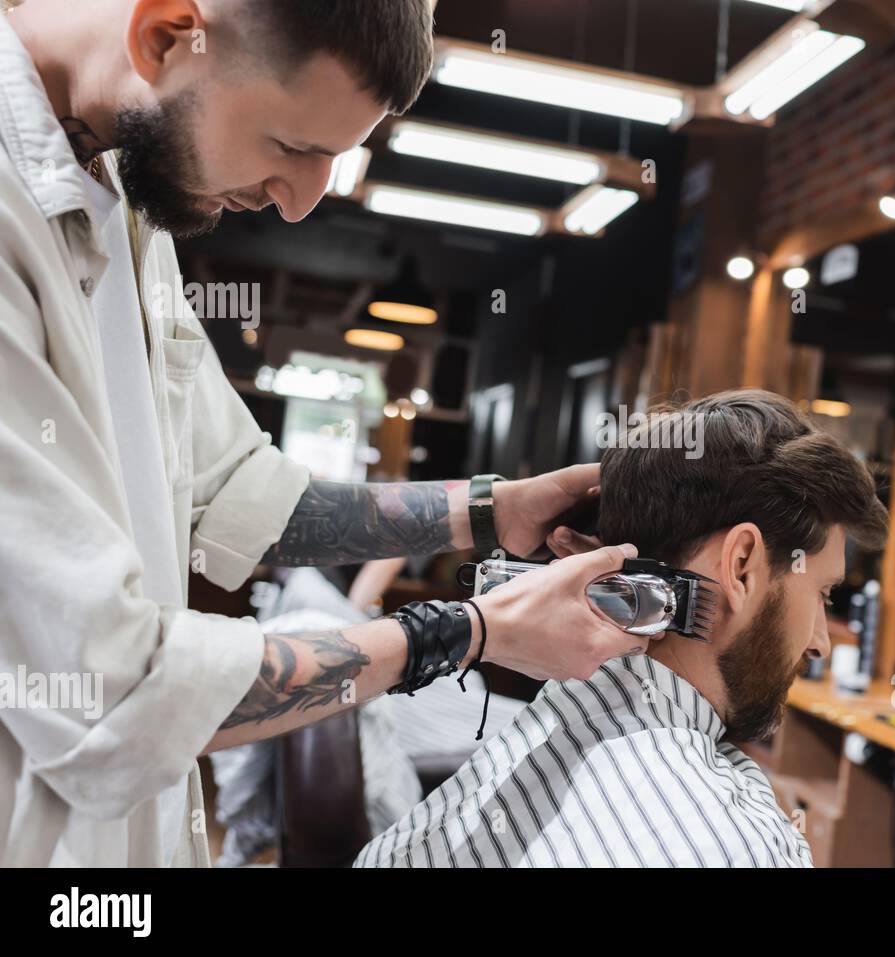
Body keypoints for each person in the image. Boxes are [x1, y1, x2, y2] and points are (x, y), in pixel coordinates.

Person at [0, 0, 640, 867]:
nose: (301, 203)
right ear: (163, 35)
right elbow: (115, 686)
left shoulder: (123, 191)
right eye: (294, 147)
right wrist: (471, 631)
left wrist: (498, 512)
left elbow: (239, 494)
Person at [356, 390, 890, 867]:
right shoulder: (733, 845)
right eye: (821, 594)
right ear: (743, 564)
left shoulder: (574, 708)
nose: (820, 642)